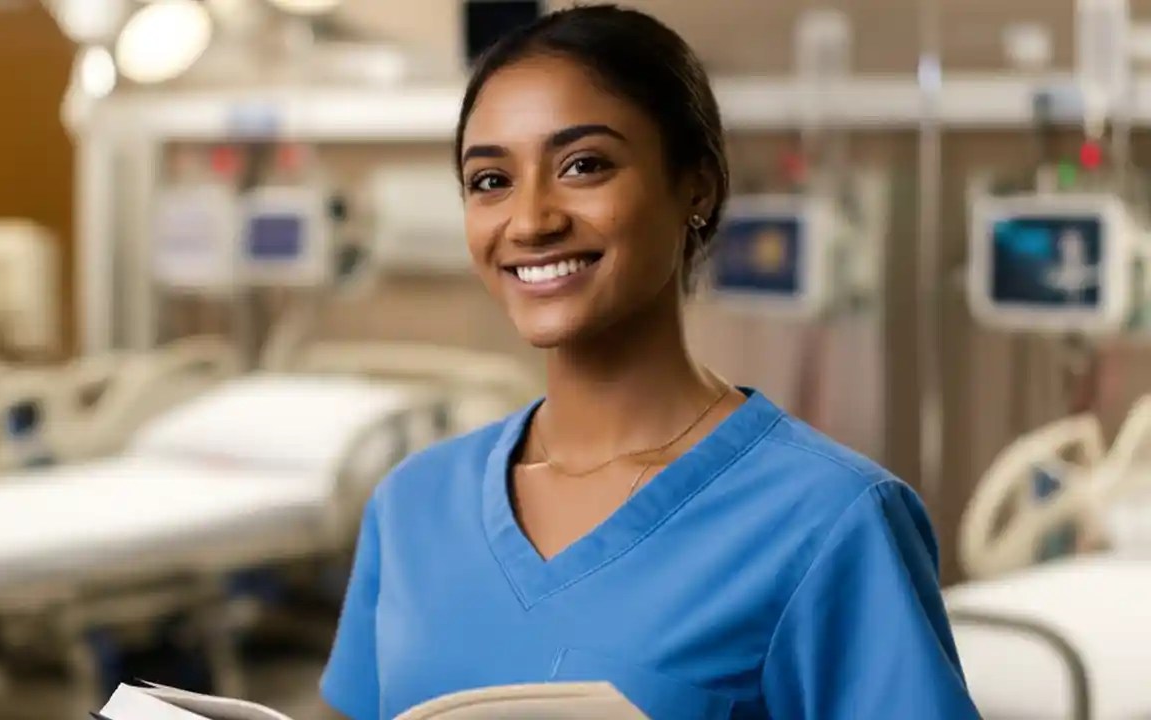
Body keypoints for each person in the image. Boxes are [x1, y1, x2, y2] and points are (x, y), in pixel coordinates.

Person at [321, 5, 979, 718]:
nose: (532, 219)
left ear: (696, 186)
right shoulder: (413, 504)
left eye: (584, 166)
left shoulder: (828, 521)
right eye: (490, 181)